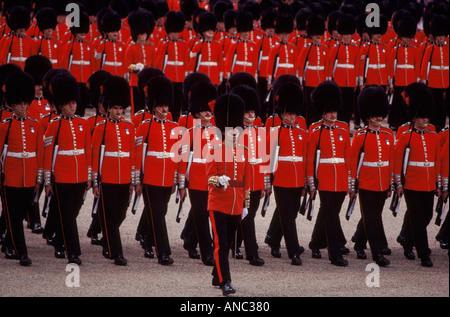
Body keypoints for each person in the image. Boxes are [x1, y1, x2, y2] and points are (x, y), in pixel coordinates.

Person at [43, 72, 92, 264]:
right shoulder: (54, 125)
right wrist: (48, 181)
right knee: (68, 215)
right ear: (61, 105)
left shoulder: (83, 123)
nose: (73, 106)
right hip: (62, 175)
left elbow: (88, 151)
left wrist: (89, 176)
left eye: (74, 102)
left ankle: (58, 242)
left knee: (72, 212)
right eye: (69, 103)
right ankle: (73, 252)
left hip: (79, 174)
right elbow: (48, 155)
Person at [207, 93, 250, 296]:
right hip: (218, 202)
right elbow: (209, 177)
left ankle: (217, 275)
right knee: (222, 244)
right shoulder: (214, 148)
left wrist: (246, 204)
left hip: (236, 204)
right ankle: (226, 282)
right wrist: (219, 180)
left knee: (229, 243)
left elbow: (246, 179)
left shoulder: (243, 150)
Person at [394, 83, 441, 267]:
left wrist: (438, 183)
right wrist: (398, 183)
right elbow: (399, 162)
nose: (425, 120)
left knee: (427, 215)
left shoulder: (434, 136)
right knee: (418, 220)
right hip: (411, 183)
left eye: (426, 117)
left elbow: (437, 162)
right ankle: (424, 253)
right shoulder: (406, 136)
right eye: (421, 117)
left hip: (428, 183)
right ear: (414, 117)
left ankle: (406, 238)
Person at [135, 75, 180, 265]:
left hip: (167, 177)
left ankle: (147, 240)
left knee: (159, 212)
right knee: (158, 215)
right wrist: (137, 179)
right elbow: (138, 154)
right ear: (153, 106)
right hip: (150, 177)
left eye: (166, 105)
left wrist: (176, 179)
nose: (164, 109)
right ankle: (163, 252)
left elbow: (176, 156)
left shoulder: (174, 127)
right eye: (160, 106)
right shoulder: (145, 126)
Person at [0, 71, 43, 266]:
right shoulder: (4, 126)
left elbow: (38, 153)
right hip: (10, 176)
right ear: (13, 104)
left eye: (26, 103)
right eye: (20, 104)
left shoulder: (35, 125)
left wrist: (38, 178)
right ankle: (22, 253)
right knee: (13, 216)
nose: (24, 107)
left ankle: (8, 245)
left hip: (28, 177)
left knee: (18, 214)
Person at [91, 76, 135, 266]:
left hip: (124, 177)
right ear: (108, 108)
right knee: (109, 215)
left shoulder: (129, 127)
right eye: (115, 108)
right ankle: (116, 252)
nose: (118, 111)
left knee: (121, 213)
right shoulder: (101, 127)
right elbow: (95, 155)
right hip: (107, 177)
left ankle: (107, 242)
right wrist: (95, 180)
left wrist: (133, 180)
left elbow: (132, 155)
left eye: (120, 108)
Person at [307, 81, 351, 267]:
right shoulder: (315, 130)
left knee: (329, 213)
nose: (333, 114)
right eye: (330, 111)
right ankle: (335, 254)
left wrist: (350, 181)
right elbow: (310, 159)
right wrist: (311, 182)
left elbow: (348, 158)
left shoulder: (343, 129)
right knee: (332, 216)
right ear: (323, 111)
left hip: (340, 178)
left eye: (335, 111)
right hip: (323, 179)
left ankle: (316, 243)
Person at [349, 85, 394, 266]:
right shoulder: (360, 136)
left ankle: (359, 242)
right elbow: (353, 164)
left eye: (380, 114)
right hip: (366, 183)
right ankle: (377, 254)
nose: (378, 117)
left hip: (382, 182)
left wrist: (390, 184)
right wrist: (353, 186)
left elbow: (390, 162)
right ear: (367, 115)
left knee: (372, 215)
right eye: (374, 114)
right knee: (373, 218)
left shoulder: (388, 134)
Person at [266, 81, 307, 266]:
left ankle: (273, 239)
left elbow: (304, 158)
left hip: (297, 179)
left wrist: (307, 182)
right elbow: (268, 158)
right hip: (281, 179)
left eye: (294, 113)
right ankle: (293, 252)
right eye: (289, 113)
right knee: (288, 217)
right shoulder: (275, 131)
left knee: (292, 212)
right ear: (282, 113)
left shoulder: (301, 133)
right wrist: (267, 182)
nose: (292, 116)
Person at [178, 81, 218, 266]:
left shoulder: (217, 132)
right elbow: (184, 159)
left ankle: (190, 240)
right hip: (195, 179)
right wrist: (181, 182)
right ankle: (207, 253)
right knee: (201, 217)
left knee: (209, 215)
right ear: (197, 112)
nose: (208, 113)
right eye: (204, 110)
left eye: (209, 110)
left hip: (213, 179)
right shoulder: (190, 132)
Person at [231, 84, 266, 266]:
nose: (252, 114)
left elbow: (262, 160)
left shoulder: (259, 131)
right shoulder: (234, 132)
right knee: (247, 216)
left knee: (245, 216)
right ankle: (252, 254)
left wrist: (263, 184)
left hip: (256, 182)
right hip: (241, 182)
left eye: (253, 111)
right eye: (248, 111)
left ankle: (233, 245)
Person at [155, 10, 188, 122]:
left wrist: (186, 75)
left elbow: (186, 61)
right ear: (169, 32)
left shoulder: (183, 44)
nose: (176, 34)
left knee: (178, 101)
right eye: (174, 32)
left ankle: (176, 120)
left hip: (180, 77)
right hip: (168, 76)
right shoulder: (164, 43)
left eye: (177, 32)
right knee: (170, 101)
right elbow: (159, 61)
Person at [326, 13, 359, 126]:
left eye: (349, 34)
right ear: (342, 34)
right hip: (338, 80)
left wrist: (357, 82)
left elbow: (357, 65)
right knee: (339, 105)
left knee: (348, 106)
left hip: (350, 81)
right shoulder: (336, 48)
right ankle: (338, 124)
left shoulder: (355, 48)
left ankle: (345, 125)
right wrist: (330, 79)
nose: (348, 36)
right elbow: (331, 64)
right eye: (346, 34)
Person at [387, 16, 420, 131]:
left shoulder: (414, 49)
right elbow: (392, 67)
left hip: (411, 80)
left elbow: (417, 67)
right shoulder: (395, 49)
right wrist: (391, 83)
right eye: (406, 37)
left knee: (409, 104)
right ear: (401, 36)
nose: (408, 39)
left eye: (409, 37)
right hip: (399, 79)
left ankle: (408, 122)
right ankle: (396, 123)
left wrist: (417, 82)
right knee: (397, 103)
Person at [60, 10, 94, 117]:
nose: (83, 35)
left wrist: (91, 78)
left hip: (86, 77)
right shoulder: (70, 45)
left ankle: (81, 116)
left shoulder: (89, 45)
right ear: (75, 32)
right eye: (80, 33)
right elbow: (65, 62)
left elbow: (92, 63)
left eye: (84, 33)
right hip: (74, 76)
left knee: (83, 100)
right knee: (74, 99)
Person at [296, 14, 328, 126]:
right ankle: (309, 124)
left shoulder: (325, 49)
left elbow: (327, 66)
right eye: (316, 35)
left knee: (320, 105)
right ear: (312, 35)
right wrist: (301, 81)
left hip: (321, 80)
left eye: (319, 36)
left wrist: (327, 81)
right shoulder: (307, 49)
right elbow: (301, 66)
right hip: (310, 80)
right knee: (310, 105)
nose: (318, 37)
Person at [419, 14, 449, 132]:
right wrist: (423, 80)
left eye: (443, 36)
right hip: (433, 81)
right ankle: (433, 126)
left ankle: (441, 126)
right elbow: (425, 66)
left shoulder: (447, 49)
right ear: (435, 37)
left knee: (443, 107)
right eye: (439, 36)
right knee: (434, 106)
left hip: (445, 82)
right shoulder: (430, 49)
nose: (441, 38)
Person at [125, 8, 155, 115]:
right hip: (135, 81)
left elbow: (154, 65)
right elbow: (128, 65)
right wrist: (136, 67)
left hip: (148, 82)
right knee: (137, 107)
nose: (143, 36)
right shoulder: (131, 48)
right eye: (141, 34)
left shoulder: (150, 47)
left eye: (145, 34)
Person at [188, 11, 224, 86]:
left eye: (212, 29)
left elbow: (220, 62)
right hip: (201, 74)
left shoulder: (218, 45)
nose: (211, 31)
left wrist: (220, 76)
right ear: (203, 31)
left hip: (214, 75)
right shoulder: (198, 45)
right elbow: (192, 62)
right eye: (208, 29)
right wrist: (191, 75)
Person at [224, 10, 258, 80]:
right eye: (244, 31)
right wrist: (228, 75)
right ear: (240, 31)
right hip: (237, 72)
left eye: (247, 31)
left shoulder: (253, 45)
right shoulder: (235, 44)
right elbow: (229, 61)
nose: (246, 33)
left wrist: (255, 76)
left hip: (249, 73)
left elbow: (254, 63)